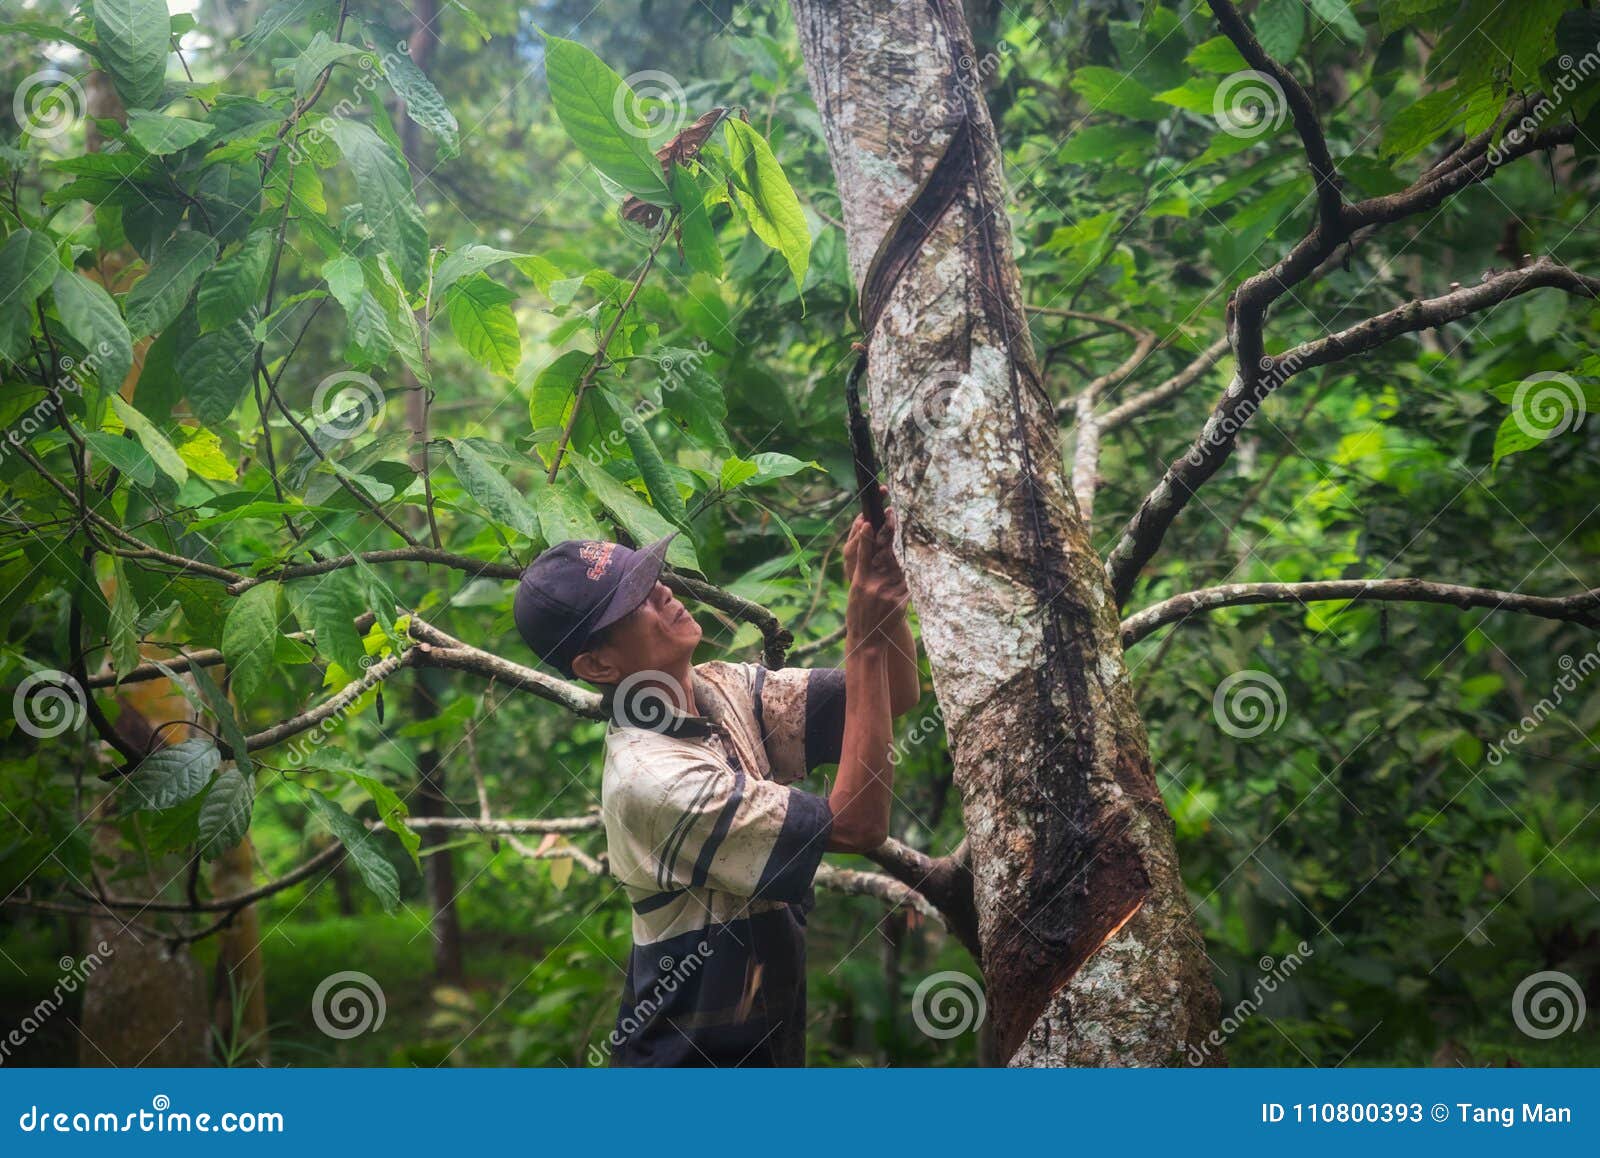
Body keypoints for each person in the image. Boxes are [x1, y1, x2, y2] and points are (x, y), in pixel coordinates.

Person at [511, 502, 919, 1066]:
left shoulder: (718, 686)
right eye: (636, 602)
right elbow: (858, 824)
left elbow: (889, 696)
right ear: (597, 666)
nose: (663, 594)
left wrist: (882, 602)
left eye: (651, 579)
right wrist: (864, 636)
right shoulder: (652, 779)